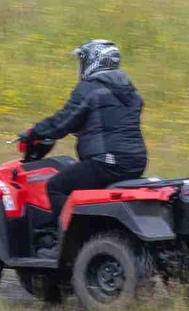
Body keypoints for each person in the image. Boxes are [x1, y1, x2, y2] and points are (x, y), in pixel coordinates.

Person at [20, 40, 148, 240]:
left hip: (105, 163)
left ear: (94, 61)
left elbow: (63, 122)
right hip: (135, 162)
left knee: (55, 186)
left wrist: (35, 132)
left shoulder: (89, 88)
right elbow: (109, 122)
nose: (80, 66)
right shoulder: (129, 91)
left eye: (82, 60)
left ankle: (70, 239)